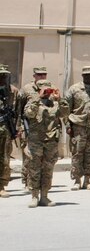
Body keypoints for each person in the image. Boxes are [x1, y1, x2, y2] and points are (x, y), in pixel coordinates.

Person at [23, 79, 70, 207]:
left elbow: (65, 113)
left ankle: (44, 196)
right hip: (35, 141)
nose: (47, 92)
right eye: (44, 90)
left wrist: (60, 99)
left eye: (48, 90)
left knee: (48, 170)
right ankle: (34, 196)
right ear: (38, 90)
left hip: (50, 142)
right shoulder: (32, 103)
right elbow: (29, 113)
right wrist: (38, 98)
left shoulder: (54, 104)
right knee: (34, 169)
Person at [65, 65, 90, 191]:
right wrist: (68, 125)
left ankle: (87, 180)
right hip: (78, 126)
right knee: (77, 153)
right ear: (82, 75)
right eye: (86, 74)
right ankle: (77, 180)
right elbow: (66, 109)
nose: (89, 76)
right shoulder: (74, 89)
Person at [15, 66, 50, 188]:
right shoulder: (26, 89)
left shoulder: (49, 87)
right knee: (28, 155)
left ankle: (39, 182)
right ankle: (26, 180)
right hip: (28, 126)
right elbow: (18, 109)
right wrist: (18, 126)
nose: (42, 77)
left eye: (44, 74)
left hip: (45, 129)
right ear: (34, 76)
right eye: (39, 75)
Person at [0, 65, 16, 197]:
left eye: (5, 76)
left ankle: (1, 186)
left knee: (5, 158)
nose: (3, 78)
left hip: (5, 129)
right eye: (1, 75)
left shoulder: (10, 92)